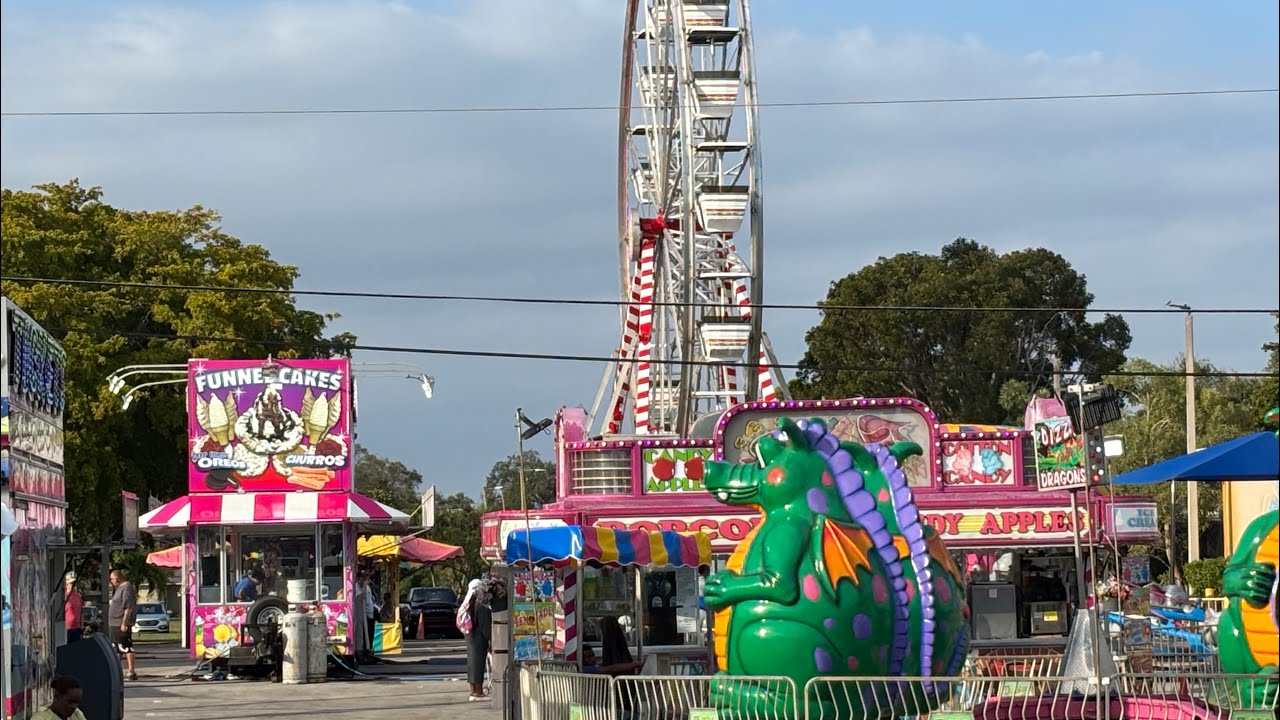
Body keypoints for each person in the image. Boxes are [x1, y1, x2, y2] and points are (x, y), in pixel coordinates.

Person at [458, 578, 492, 701]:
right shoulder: (480, 605)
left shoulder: (468, 603)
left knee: (472, 664)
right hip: (479, 638)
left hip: (470, 637)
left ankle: (473, 691)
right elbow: (485, 625)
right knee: (478, 665)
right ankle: (478, 692)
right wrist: (490, 639)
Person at [108, 569, 138, 681]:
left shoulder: (126, 587)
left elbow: (128, 607)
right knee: (116, 648)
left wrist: (124, 623)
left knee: (126, 646)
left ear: (117, 578)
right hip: (114, 623)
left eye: (112, 579)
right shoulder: (118, 589)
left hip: (120, 623)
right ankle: (116, 671)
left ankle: (131, 671)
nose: (111, 581)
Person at [64, 578, 84, 644]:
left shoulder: (78, 596)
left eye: (74, 583)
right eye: (71, 583)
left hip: (77, 627)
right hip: (67, 628)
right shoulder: (65, 596)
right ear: (66, 585)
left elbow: (81, 612)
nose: (73, 585)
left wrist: (82, 625)